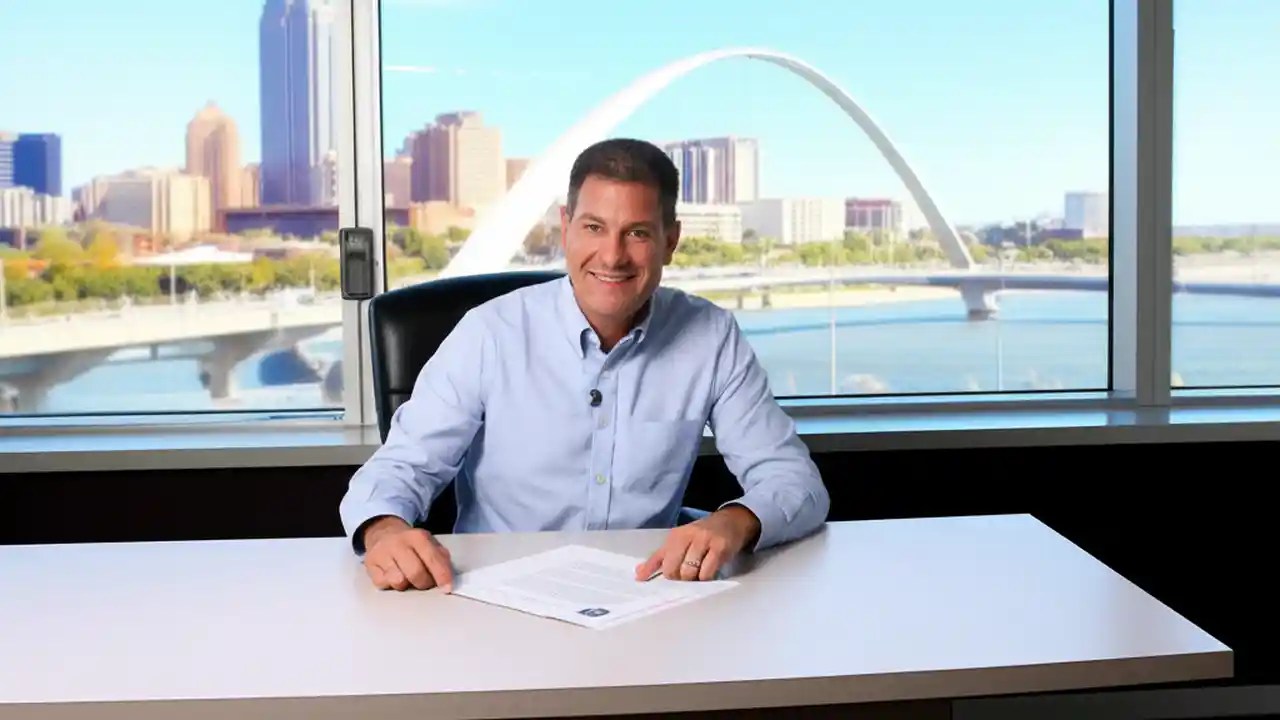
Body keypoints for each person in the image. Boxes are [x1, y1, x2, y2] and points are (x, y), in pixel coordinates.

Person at [339, 137, 829, 592]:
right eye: (594, 227)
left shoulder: (710, 336)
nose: (612, 256)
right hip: (495, 593)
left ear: (671, 241)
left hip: (647, 594)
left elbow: (796, 483)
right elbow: (401, 466)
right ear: (565, 226)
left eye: (636, 233)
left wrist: (734, 521)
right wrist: (385, 530)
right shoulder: (489, 333)